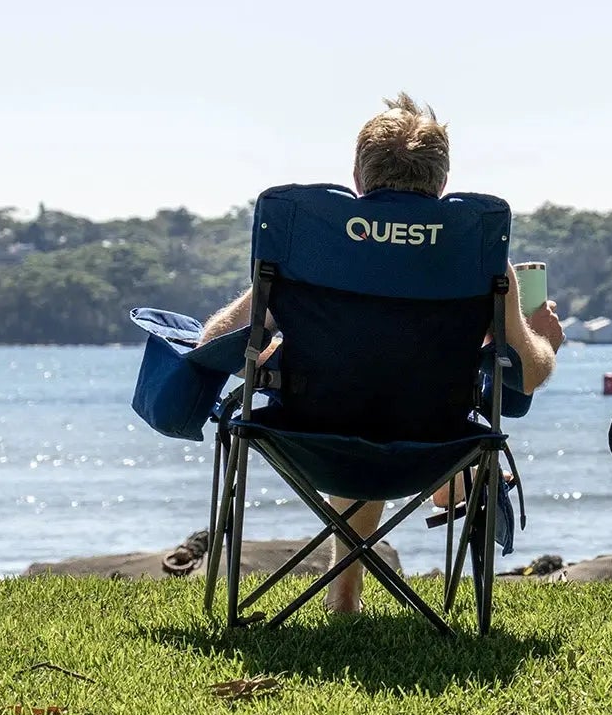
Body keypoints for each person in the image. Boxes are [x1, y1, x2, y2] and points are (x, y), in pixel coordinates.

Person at [199, 92, 565, 614]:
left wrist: (271, 290)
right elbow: (526, 374)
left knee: (359, 387)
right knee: (388, 390)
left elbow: (212, 343)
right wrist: (544, 337)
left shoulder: (308, 248)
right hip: (435, 444)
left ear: (358, 175)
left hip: (309, 437)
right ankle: (352, 586)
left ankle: (342, 595)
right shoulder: (479, 258)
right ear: (441, 183)